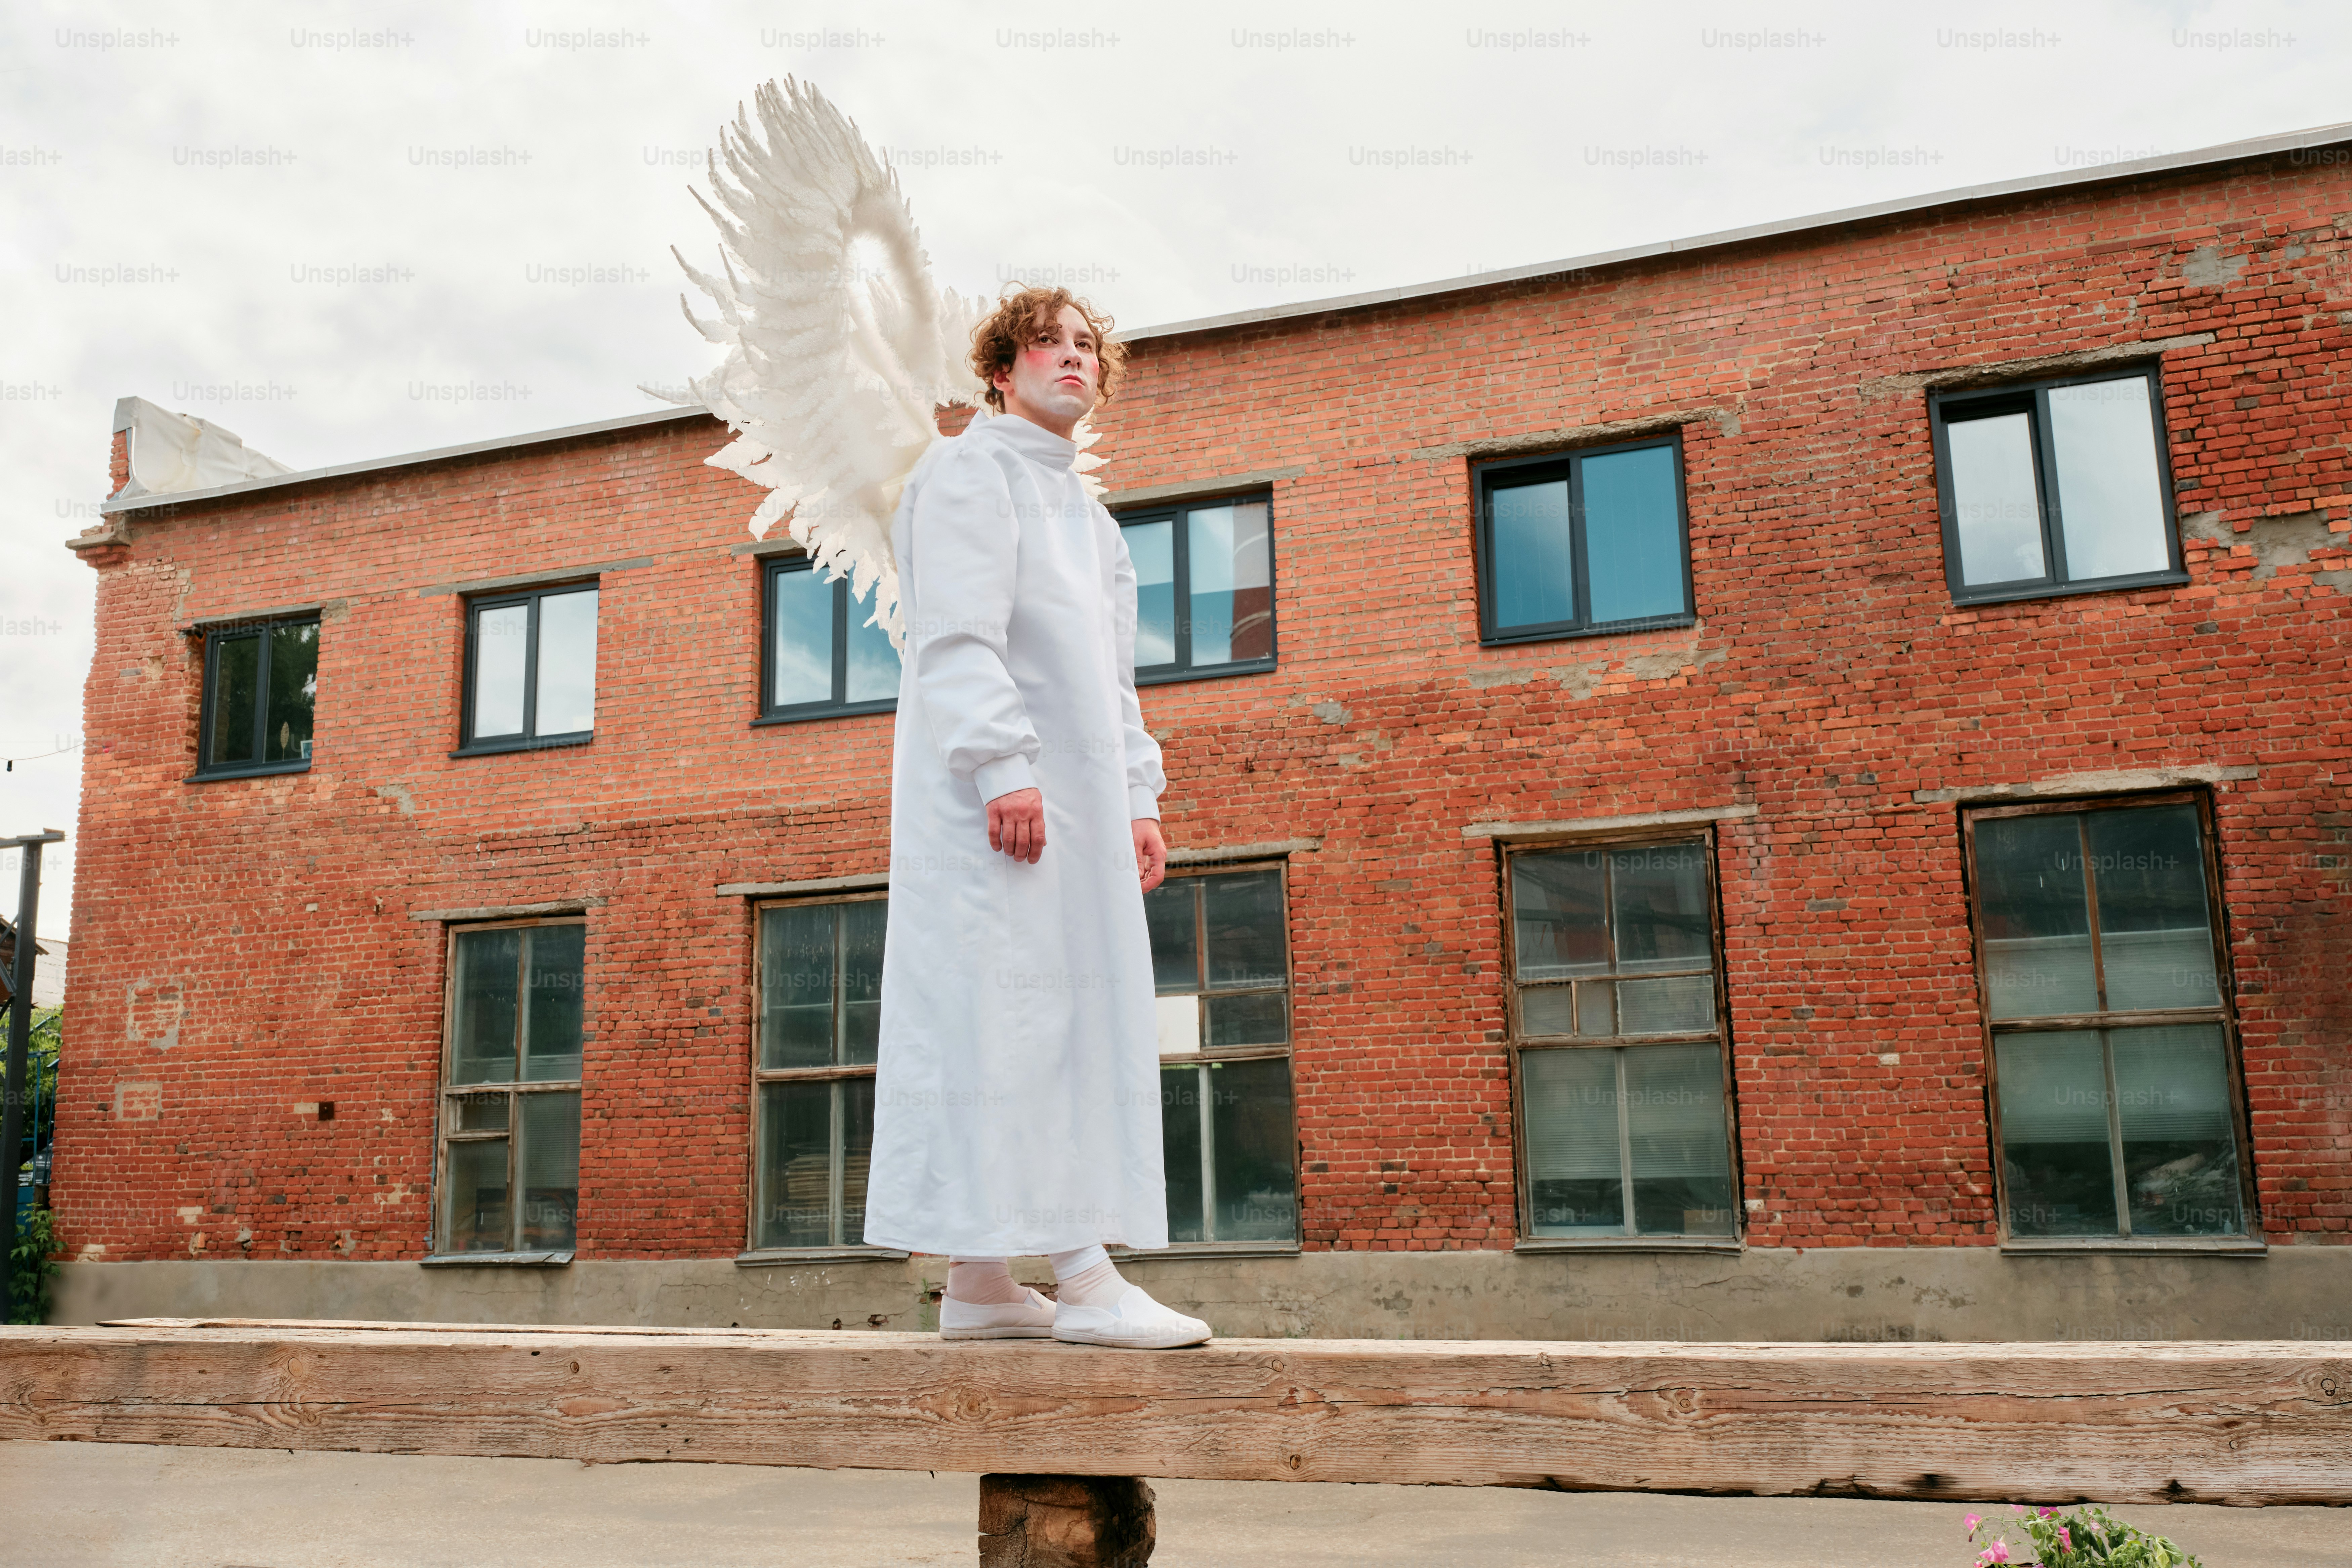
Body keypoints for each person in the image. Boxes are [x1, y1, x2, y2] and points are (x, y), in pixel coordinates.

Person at [860, 284, 1213, 1351]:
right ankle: (1084, 1276)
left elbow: (1114, 680)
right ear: (1001, 371)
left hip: (1079, 809)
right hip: (995, 809)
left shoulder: (1091, 521)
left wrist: (1139, 797)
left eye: (1087, 346)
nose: (1073, 358)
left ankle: (978, 1282)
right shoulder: (970, 470)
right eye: (1048, 342)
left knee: (1032, 1013)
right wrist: (1004, 767)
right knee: (1023, 1015)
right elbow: (956, 634)